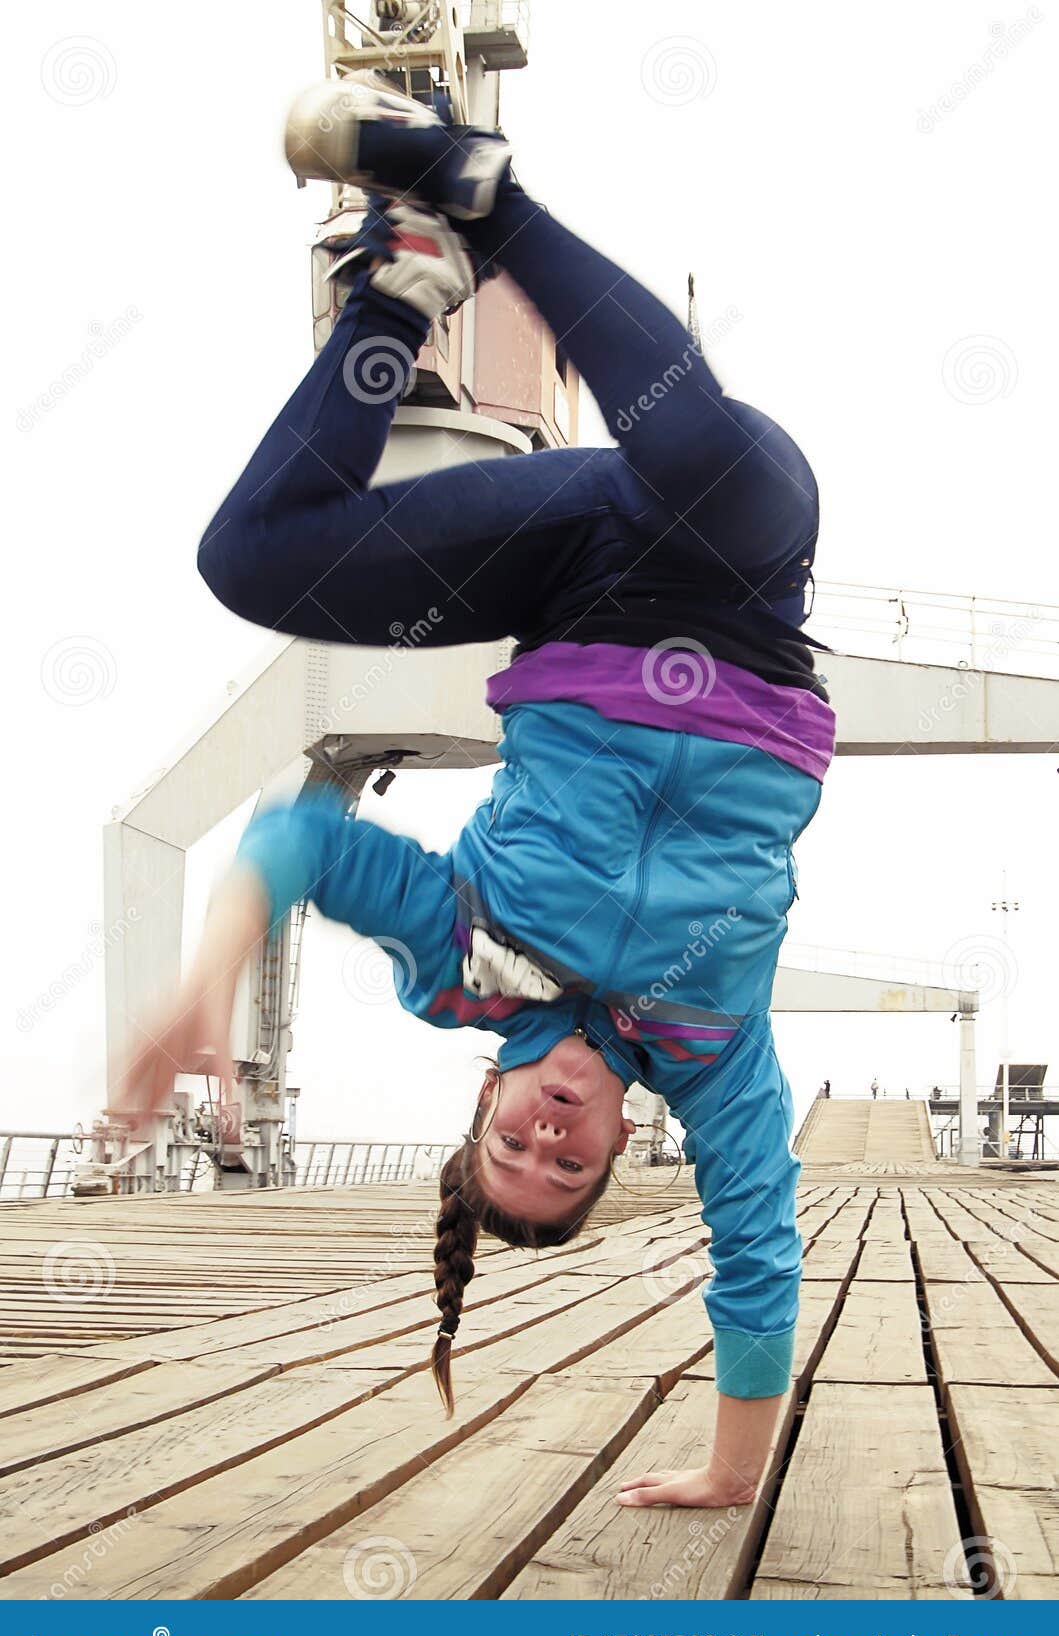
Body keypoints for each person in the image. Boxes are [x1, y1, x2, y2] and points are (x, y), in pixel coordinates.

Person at [121, 75, 835, 1509]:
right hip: (740, 577)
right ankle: (486, 199)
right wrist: (730, 1472)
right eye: (565, 1166)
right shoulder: (716, 1059)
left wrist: (205, 980)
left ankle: (405, 286)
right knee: (707, 459)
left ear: (491, 1097)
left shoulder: (460, 962)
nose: (546, 1137)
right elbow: (758, 1252)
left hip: (571, 583)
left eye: (511, 1144)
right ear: (621, 1148)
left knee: (253, 561)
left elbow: (301, 833)